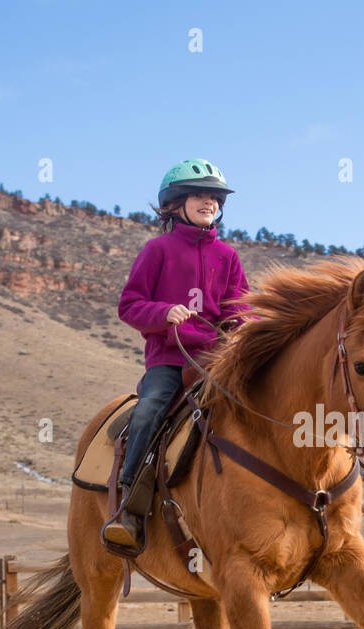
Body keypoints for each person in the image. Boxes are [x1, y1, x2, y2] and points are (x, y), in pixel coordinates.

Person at [103, 158, 250, 550]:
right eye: (199, 195)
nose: (209, 203)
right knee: (150, 409)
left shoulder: (228, 257)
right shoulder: (158, 250)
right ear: (174, 204)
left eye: (215, 197)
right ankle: (128, 509)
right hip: (169, 360)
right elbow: (129, 305)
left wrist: (245, 330)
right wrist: (164, 313)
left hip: (218, 360)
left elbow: (239, 308)